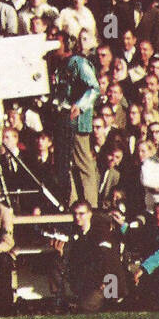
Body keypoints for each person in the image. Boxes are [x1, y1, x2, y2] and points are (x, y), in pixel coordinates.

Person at [47, 25, 101, 208]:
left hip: (77, 122)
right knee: (65, 164)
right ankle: (73, 203)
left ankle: (91, 204)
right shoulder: (57, 66)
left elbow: (94, 87)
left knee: (82, 162)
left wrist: (80, 105)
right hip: (62, 121)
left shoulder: (79, 63)